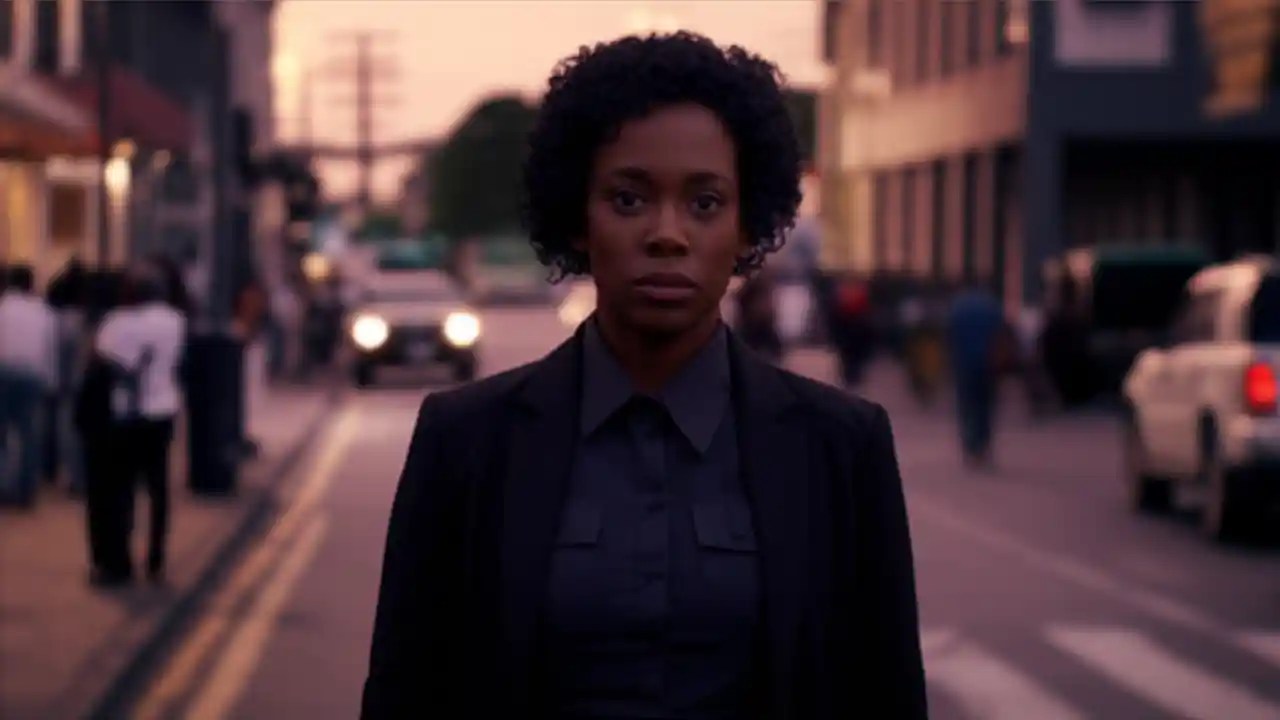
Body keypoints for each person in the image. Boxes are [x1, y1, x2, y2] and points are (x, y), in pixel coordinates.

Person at [362, 33, 926, 719]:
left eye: (706, 202)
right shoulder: (467, 442)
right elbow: (406, 694)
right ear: (578, 217)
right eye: (629, 200)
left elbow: (885, 694)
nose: (667, 233)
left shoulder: (842, 446)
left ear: (749, 228)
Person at [92, 270, 187, 583]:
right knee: (158, 490)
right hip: (162, 411)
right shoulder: (175, 321)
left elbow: (101, 359)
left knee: (124, 488)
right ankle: (156, 558)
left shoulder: (118, 322)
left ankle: (122, 560)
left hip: (127, 415)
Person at [0, 265, 59, 507]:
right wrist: (51, 380)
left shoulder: (1, 308)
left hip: (2, 372)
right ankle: (27, 491)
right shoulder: (43, 311)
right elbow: (49, 348)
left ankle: (4, 487)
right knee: (29, 435)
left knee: (2, 435)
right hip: (32, 375)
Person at [946, 282, 1007, 468]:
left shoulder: (958, 307)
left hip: (964, 364)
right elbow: (1001, 334)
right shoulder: (991, 306)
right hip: (988, 364)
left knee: (967, 406)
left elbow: (950, 337)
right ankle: (983, 445)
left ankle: (970, 446)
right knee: (985, 407)